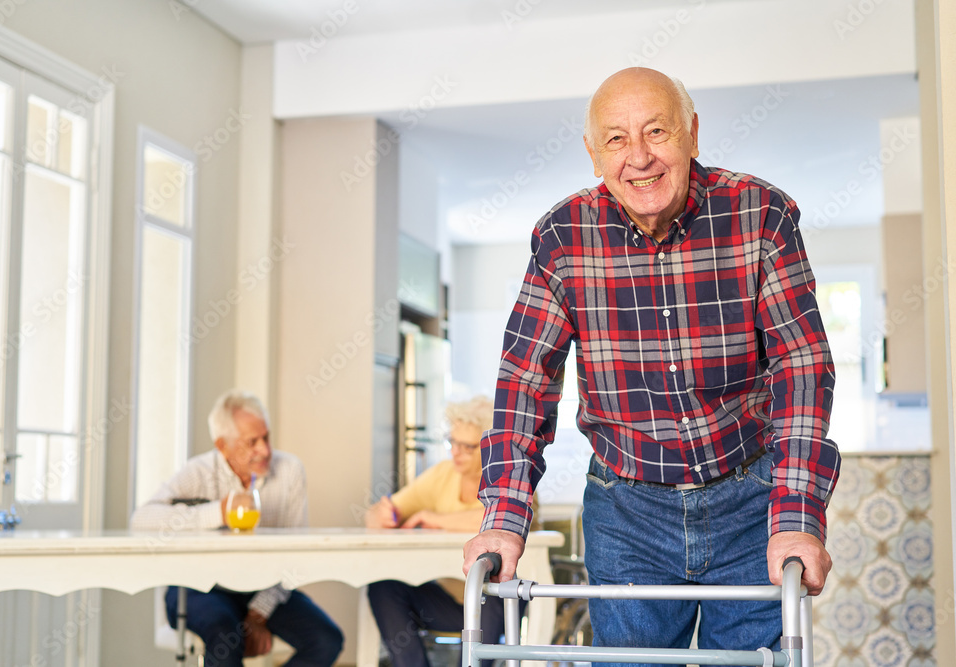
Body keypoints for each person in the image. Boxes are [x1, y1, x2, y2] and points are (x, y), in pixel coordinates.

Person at [462, 67, 841, 660]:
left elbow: (802, 366)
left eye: (656, 131)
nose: (638, 157)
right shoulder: (563, 237)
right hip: (628, 510)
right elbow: (526, 377)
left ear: (691, 133)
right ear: (594, 155)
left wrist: (796, 514)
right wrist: (506, 516)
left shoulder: (761, 215)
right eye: (616, 139)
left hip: (749, 503)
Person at [130, 389, 343, 667]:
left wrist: (258, 613)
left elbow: (295, 554)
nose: (265, 450)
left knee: (326, 640)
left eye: (265, 437)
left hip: (263, 585)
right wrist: (218, 511)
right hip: (201, 587)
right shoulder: (199, 472)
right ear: (222, 446)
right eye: (251, 442)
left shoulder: (289, 471)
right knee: (225, 633)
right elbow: (142, 520)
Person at [365, 396, 509, 667]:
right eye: (452, 442)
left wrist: (433, 517)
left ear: (490, 447)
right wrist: (381, 514)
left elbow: (505, 519)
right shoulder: (442, 474)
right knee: (383, 587)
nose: (455, 452)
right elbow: (381, 512)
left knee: (490, 594)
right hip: (447, 603)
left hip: (494, 602)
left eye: (467, 447)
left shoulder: (509, 476)